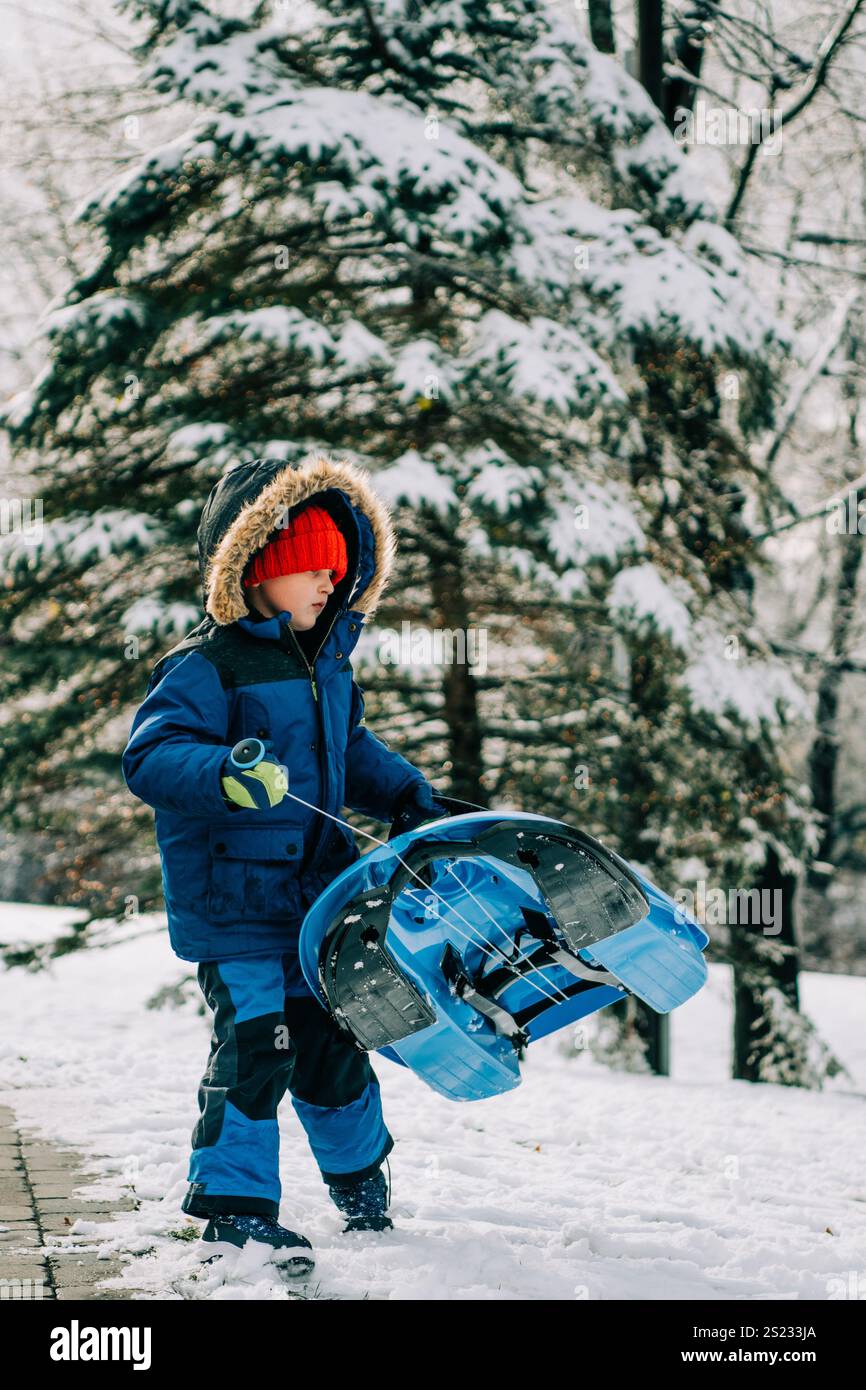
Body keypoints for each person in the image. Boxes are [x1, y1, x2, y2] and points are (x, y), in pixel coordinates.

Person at [121, 453, 442, 1276]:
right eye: (314, 568)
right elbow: (153, 758)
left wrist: (406, 793)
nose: (330, 586)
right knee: (256, 1049)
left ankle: (361, 1184)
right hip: (234, 909)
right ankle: (234, 1213)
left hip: (316, 908)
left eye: (340, 571)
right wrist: (225, 775)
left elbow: (350, 751)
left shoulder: (329, 667)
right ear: (260, 566)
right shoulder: (206, 667)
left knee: (335, 1051)